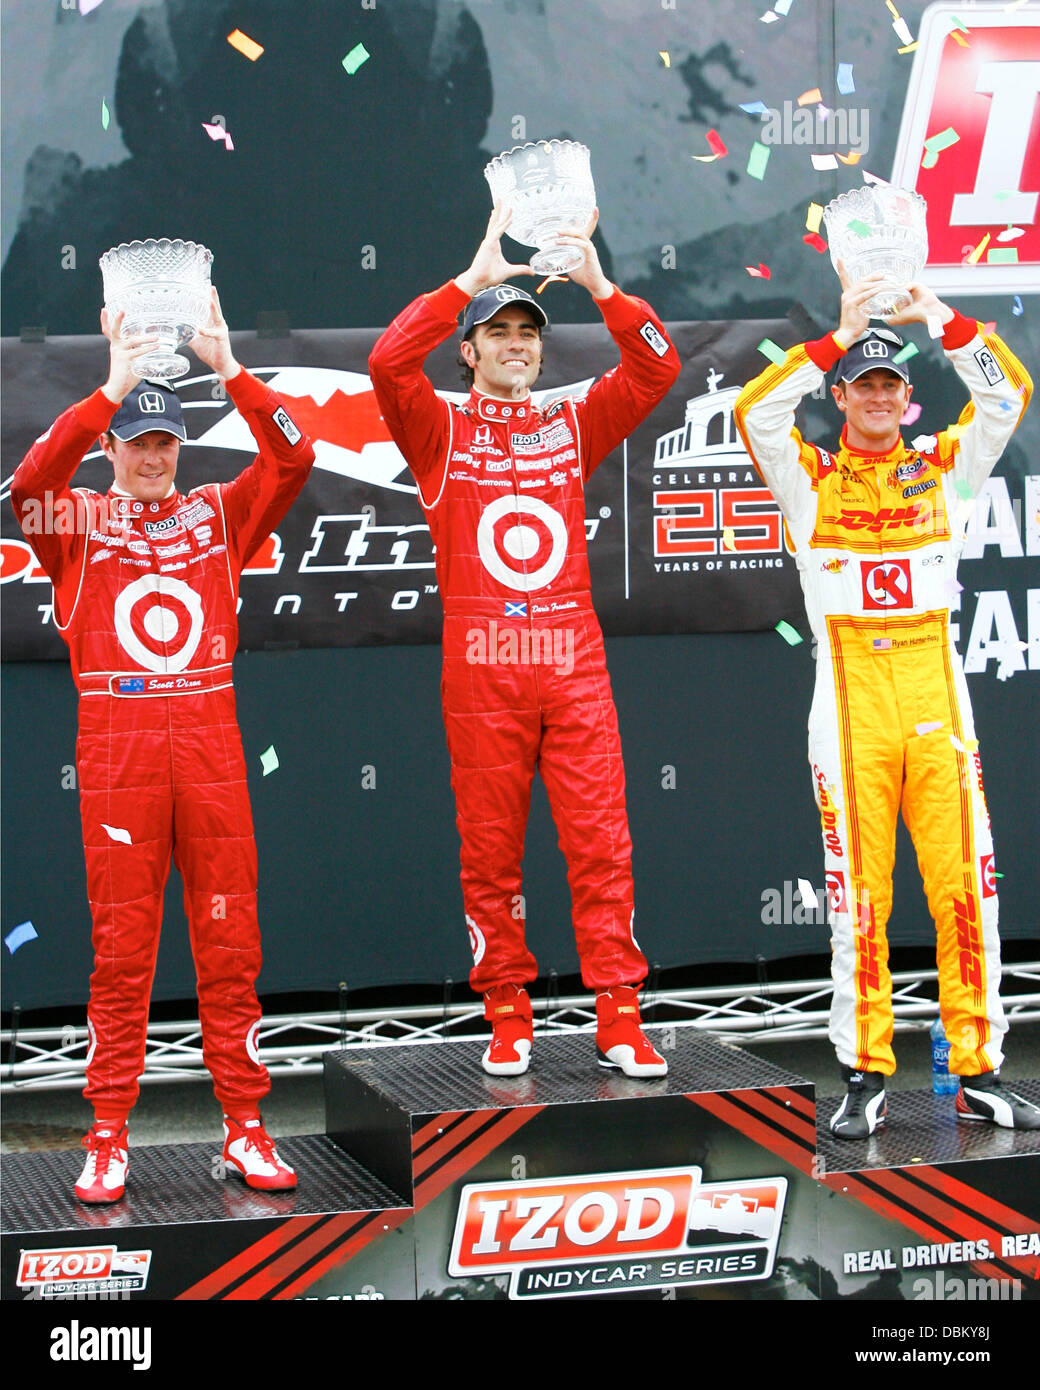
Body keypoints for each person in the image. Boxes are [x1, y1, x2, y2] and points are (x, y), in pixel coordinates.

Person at [11, 288, 316, 1200]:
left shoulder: (220, 515)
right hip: (120, 754)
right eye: (136, 442)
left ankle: (246, 1128)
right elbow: (28, 486)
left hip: (212, 748)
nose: (151, 457)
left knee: (231, 947)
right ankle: (107, 1135)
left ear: (180, 450)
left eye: (163, 443)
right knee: (121, 950)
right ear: (110, 449)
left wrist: (231, 368)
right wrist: (110, 388)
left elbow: (296, 457)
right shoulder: (74, 527)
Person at [369, 206, 681, 1077]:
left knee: (599, 840)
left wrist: (599, 286)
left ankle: (619, 1017)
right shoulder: (437, 429)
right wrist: (464, 283)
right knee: (490, 847)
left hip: (571, 657)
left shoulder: (572, 420)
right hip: (483, 666)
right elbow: (387, 362)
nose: (514, 343)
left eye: (526, 332)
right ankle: (507, 1011)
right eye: (495, 332)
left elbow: (658, 366)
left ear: (542, 347)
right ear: (466, 350)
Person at [734, 266, 1038, 1138]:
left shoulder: (947, 465)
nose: (876, 395)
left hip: (938, 698)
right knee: (858, 898)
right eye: (862, 383)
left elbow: (1008, 396)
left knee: (966, 894)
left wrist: (936, 315)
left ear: (907, 398)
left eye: (889, 384)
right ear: (840, 394)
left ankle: (978, 1068)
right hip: (850, 702)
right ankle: (864, 1071)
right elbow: (755, 410)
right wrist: (836, 333)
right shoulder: (807, 479)